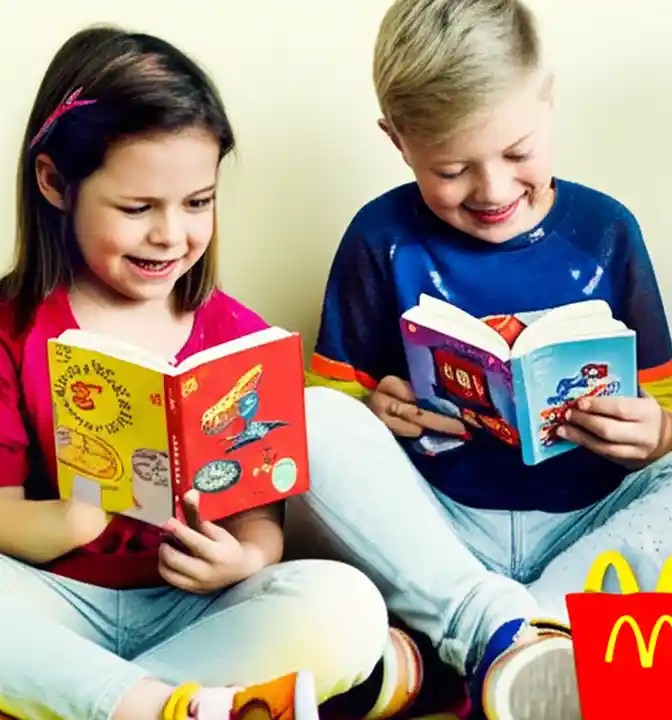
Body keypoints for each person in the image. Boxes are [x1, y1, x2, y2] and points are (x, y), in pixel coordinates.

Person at [290, 0, 672, 717]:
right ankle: (512, 635)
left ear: (549, 100)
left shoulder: (605, 231)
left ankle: (508, 639)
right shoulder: (382, 237)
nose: (493, 190)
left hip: (586, 531)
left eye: (518, 152)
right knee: (305, 421)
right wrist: (372, 409)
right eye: (453, 169)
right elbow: (327, 412)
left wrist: (653, 434)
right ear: (397, 141)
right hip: (442, 534)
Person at [0, 27, 388, 720]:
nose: (171, 235)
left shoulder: (237, 338)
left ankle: (96, 700)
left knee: (346, 604)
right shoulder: (13, 327)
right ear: (56, 182)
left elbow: (261, 513)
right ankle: (159, 707)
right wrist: (69, 520)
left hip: (195, 613)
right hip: (55, 599)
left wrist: (245, 563)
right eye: (137, 208)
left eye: (198, 203)